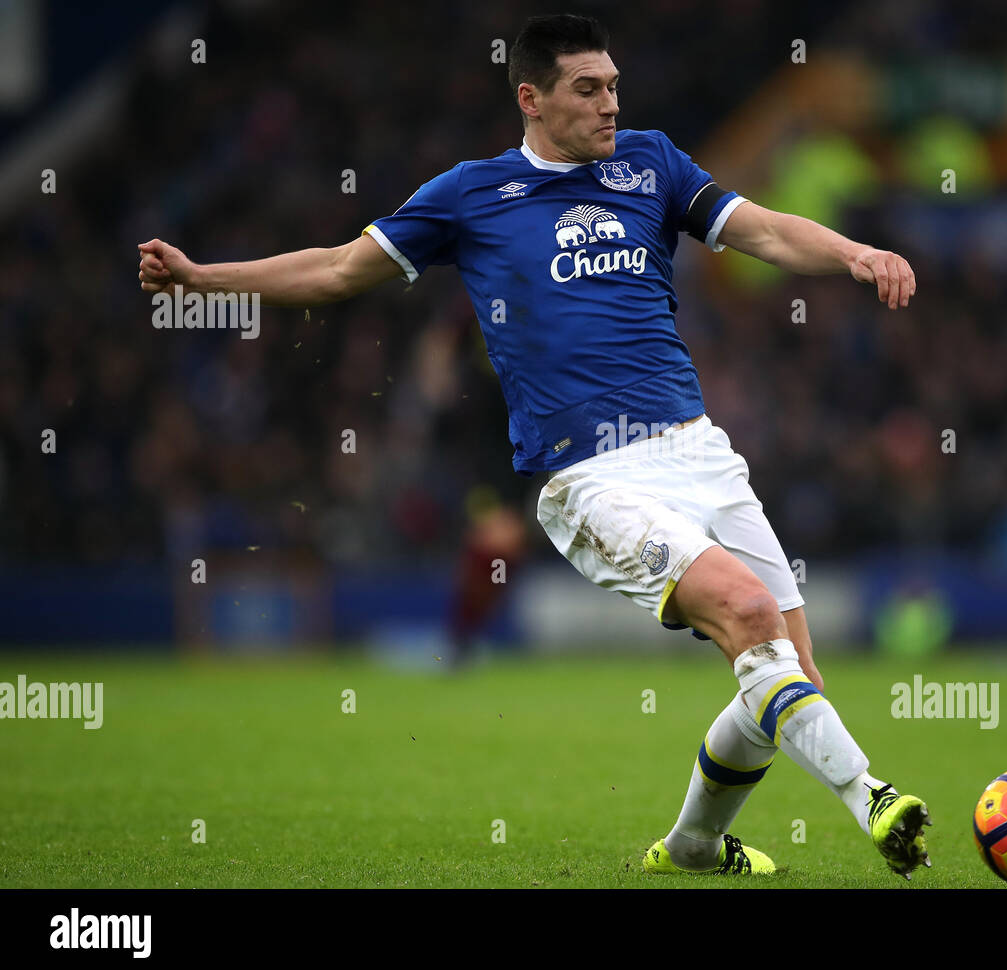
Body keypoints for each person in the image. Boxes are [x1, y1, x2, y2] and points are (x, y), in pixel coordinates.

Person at [137, 13, 928, 879]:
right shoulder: (471, 195)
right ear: (532, 99)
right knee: (746, 614)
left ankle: (695, 846)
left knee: (789, 676)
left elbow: (766, 230)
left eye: (614, 86)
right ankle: (876, 799)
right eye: (588, 89)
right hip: (590, 477)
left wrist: (855, 251)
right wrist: (204, 278)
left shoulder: (653, 163)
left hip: (700, 454)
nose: (609, 105)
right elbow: (334, 270)